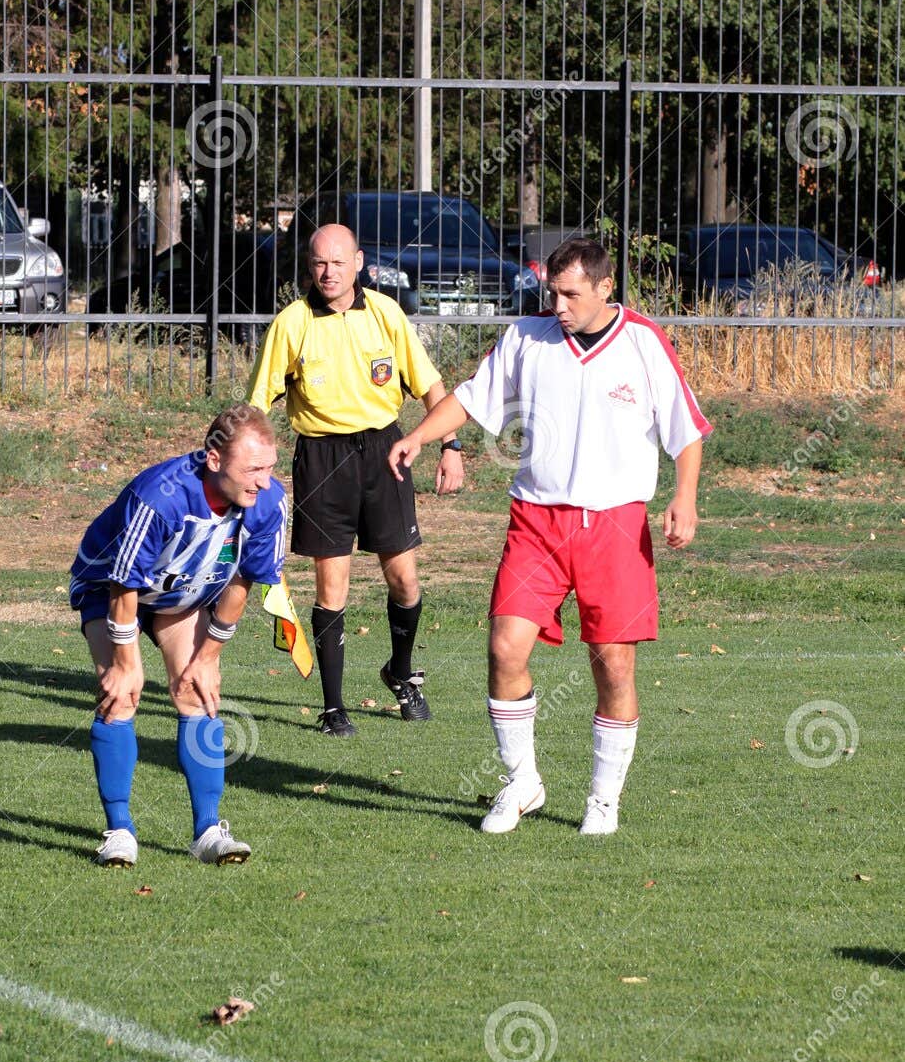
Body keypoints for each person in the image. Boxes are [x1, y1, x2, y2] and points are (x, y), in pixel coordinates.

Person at [387, 237, 711, 836]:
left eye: (571, 294)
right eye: (552, 292)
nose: (558, 304)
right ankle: (521, 782)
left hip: (615, 523)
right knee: (505, 650)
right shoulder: (525, 337)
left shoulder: (643, 342)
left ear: (605, 288)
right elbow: (470, 398)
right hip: (536, 522)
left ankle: (603, 800)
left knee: (613, 665)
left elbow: (686, 431)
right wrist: (420, 436)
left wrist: (683, 496)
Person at [246, 222, 464, 736]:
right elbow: (257, 404)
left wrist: (450, 446)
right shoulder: (292, 323)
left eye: (338, 262)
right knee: (332, 585)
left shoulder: (386, 313)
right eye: (319, 262)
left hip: (386, 454)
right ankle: (333, 707)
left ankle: (401, 674)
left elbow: (430, 385)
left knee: (405, 580)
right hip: (323, 459)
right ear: (310, 265)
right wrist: (251, 467)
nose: (328, 272)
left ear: (359, 262)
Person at [68, 404, 286, 866]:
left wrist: (209, 656)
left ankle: (208, 831)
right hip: (112, 588)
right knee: (122, 695)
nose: (263, 481)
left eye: (269, 468)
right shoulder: (160, 496)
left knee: (196, 690)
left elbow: (242, 582)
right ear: (213, 460)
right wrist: (126, 664)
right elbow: (124, 585)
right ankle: (120, 832)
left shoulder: (268, 501)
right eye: (252, 469)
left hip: (184, 592)